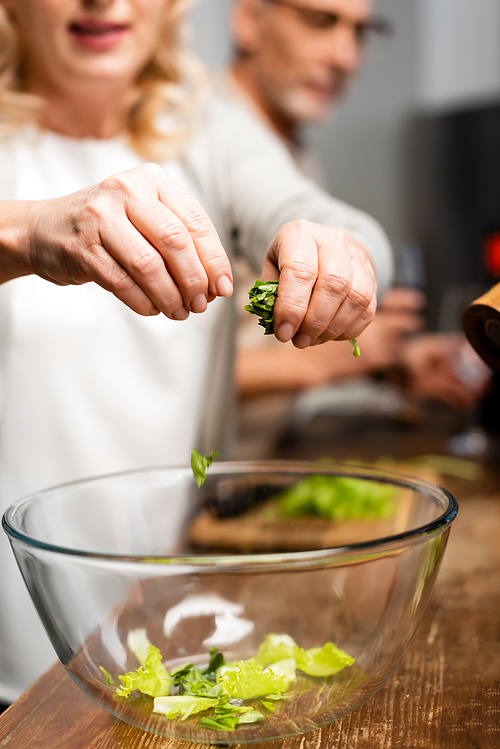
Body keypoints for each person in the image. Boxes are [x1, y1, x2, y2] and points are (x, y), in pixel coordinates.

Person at [0, 0, 392, 704]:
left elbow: (324, 216)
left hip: (166, 618)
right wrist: (29, 231)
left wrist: (344, 253)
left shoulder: (208, 128)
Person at [227, 0, 481, 409]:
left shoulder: (293, 148)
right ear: (249, 19)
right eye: (320, 21)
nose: (346, 57)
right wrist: (322, 361)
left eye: (359, 33)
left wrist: (389, 362)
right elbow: (155, 372)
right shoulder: (201, 134)